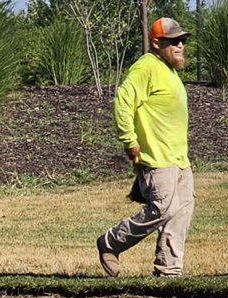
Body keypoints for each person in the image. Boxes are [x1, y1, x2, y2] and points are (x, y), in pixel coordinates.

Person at [96, 18, 193, 277]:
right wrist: (129, 140)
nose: (180, 45)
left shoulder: (169, 71)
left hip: (179, 159)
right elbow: (123, 101)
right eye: (173, 41)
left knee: (180, 213)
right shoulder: (147, 66)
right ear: (156, 43)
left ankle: (168, 273)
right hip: (157, 158)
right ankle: (112, 242)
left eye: (182, 40)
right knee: (162, 209)